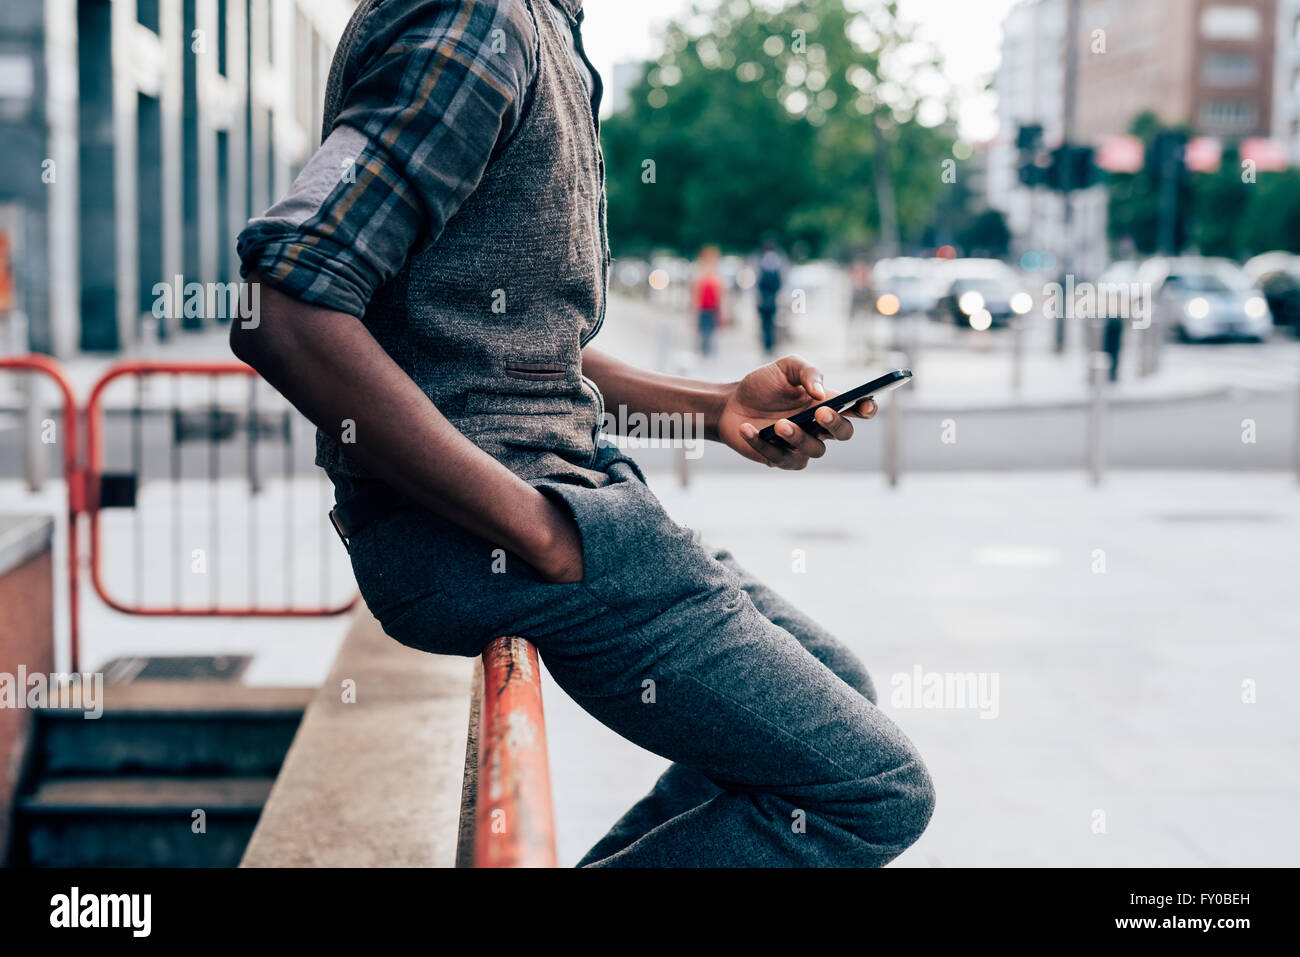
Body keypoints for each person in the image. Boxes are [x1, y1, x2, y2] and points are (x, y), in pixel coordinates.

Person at [233, 0, 933, 867]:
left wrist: (714, 407)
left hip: (564, 499)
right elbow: (284, 309)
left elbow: (499, 344)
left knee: (837, 699)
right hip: (498, 528)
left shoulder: (535, 25)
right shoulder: (475, 23)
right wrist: (540, 532)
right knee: (871, 792)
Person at [692, 245, 724, 358]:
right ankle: (703, 351)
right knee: (703, 331)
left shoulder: (716, 275)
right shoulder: (700, 274)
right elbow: (696, 292)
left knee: (711, 331)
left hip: (712, 308)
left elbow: (719, 294)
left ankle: (709, 352)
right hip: (703, 307)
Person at [756, 238, 784, 356]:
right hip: (772, 298)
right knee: (771, 322)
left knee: (765, 323)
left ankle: (767, 345)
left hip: (764, 298)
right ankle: (771, 344)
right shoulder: (778, 261)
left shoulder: (761, 261)